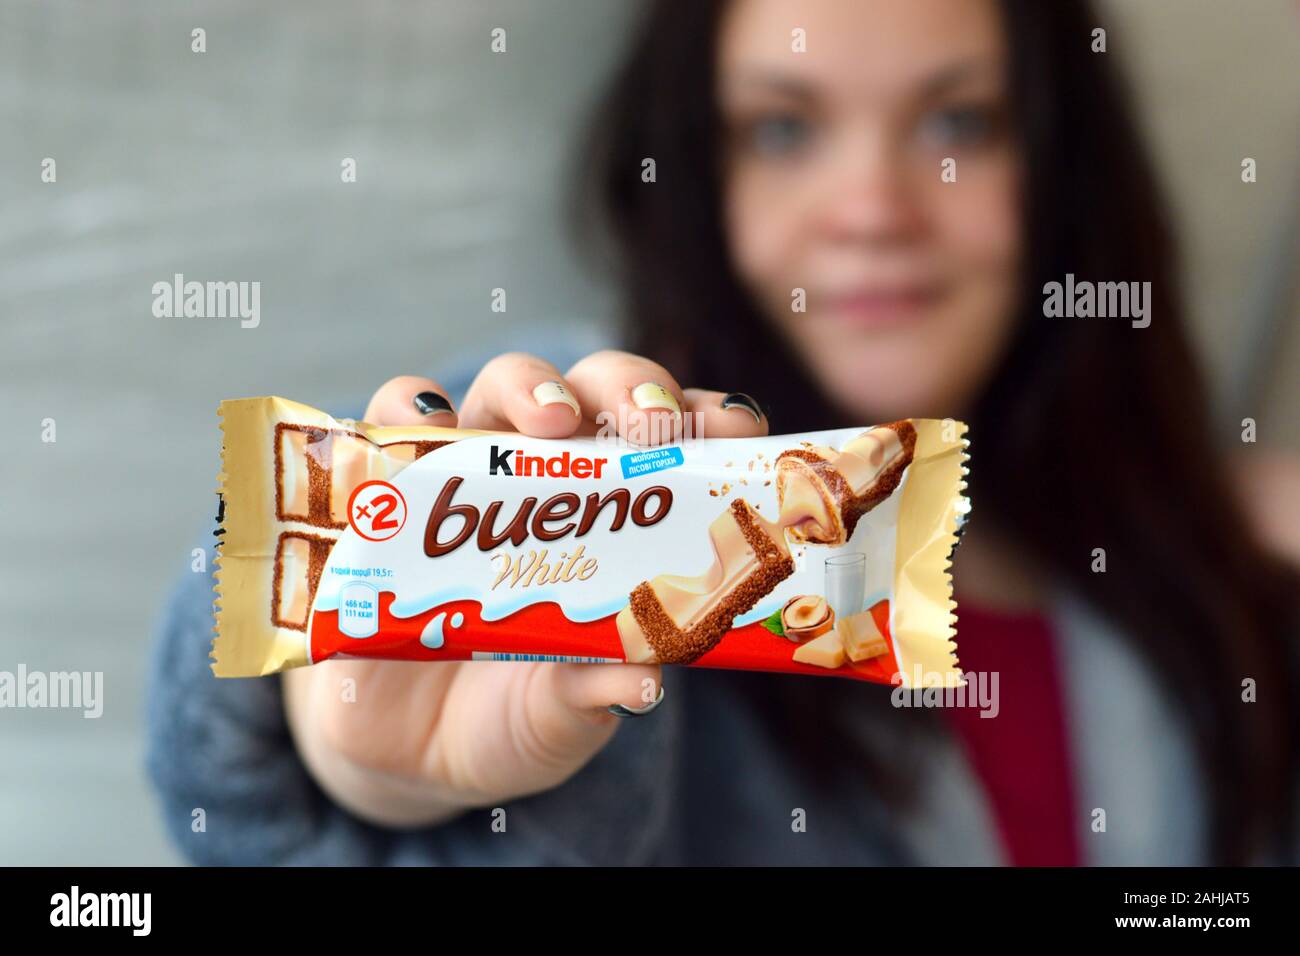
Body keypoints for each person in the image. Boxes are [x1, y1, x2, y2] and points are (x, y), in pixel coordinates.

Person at [147, 0, 1300, 865]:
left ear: (1059, 172)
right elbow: (272, 761)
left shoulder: (1193, 576)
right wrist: (371, 768)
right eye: (783, 129)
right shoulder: (602, 428)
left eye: (958, 120)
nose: (874, 209)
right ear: (700, 173)